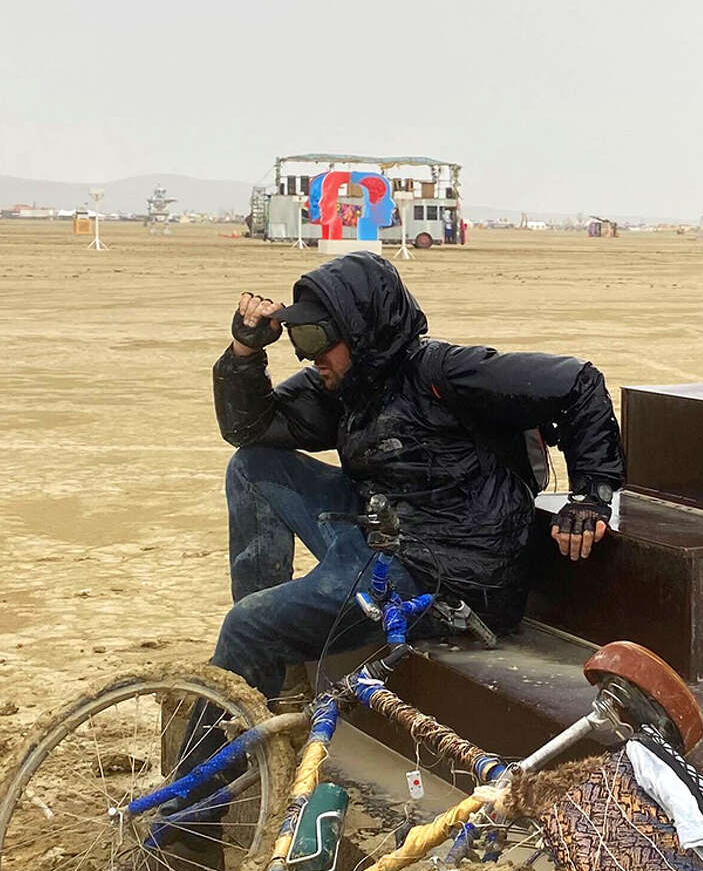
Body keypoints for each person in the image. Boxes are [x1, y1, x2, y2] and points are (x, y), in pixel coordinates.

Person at [211, 251, 624, 699]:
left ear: (361, 333)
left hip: (446, 577)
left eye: (316, 338)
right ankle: (273, 664)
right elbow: (250, 429)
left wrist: (591, 495)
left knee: (247, 624)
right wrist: (245, 353)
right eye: (300, 338)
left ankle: (219, 738)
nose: (308, 357)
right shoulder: (347, 385)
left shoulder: (444, 373)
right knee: (253, 467)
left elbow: (578, 383)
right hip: (381, 531)